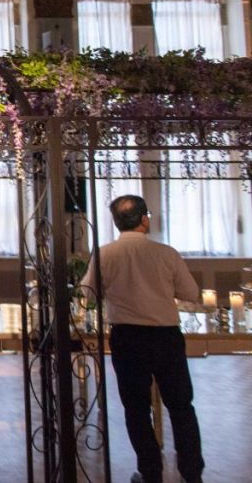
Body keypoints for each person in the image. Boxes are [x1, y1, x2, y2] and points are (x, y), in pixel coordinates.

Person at [81, 195, 204, 483]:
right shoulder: (166, 253)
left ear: (115, 223)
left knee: (136, 408)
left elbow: (87, 294)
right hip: (166, 337)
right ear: (144, 219)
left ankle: (150, 472)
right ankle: (191, 472)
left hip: (128, 337)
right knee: (181, 405)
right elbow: (191, 293)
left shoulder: (105, 254)